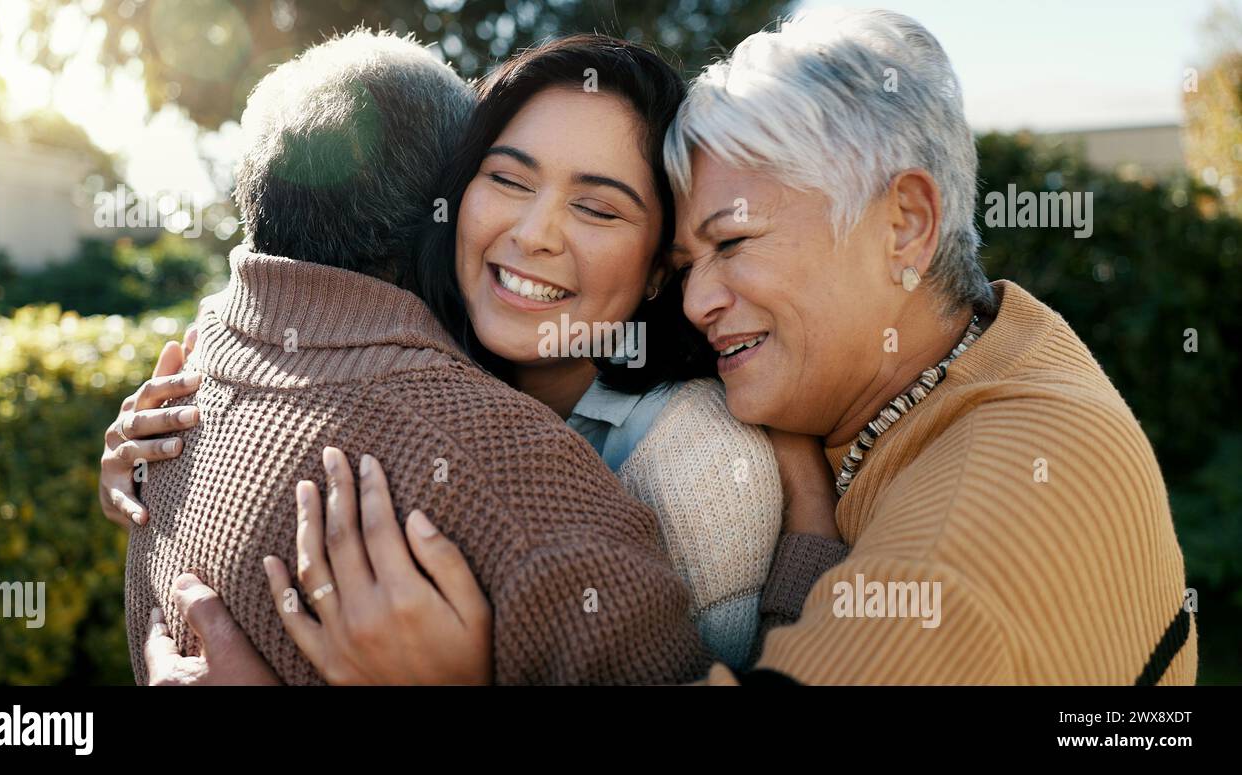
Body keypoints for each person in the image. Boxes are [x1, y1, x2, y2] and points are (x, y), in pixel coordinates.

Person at [156, 8, 1194, 685]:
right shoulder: (895, 380)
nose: (697, 298)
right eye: (689, 255)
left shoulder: (995, 501)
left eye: (732, 243)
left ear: (905, 227)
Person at [105, 33, 850, 675]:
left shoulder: (700, 465)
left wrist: (812, 525)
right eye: (507, 178)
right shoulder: (404, 374)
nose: (534, 234)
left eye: (596, 206)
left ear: (662, 264)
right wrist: (160, 440)